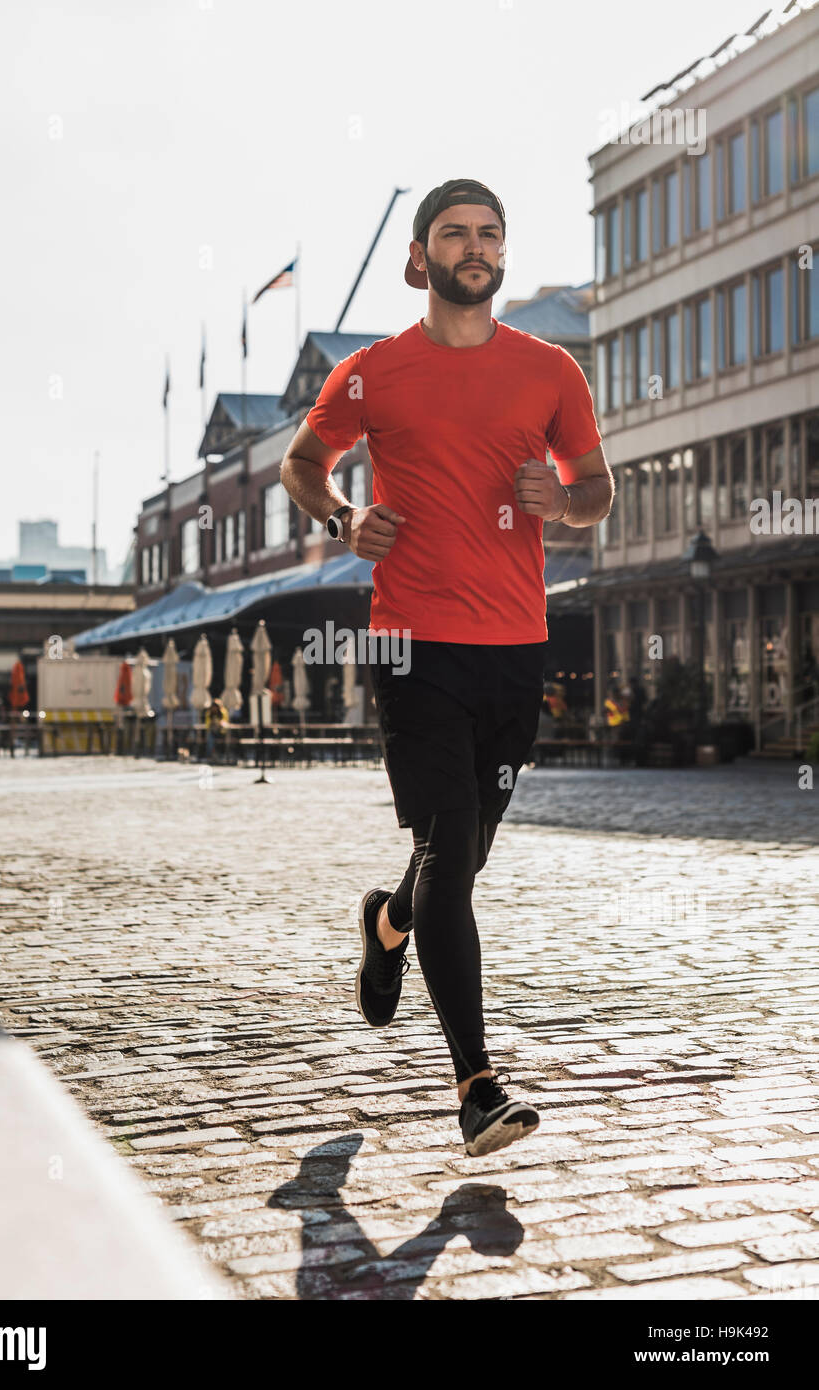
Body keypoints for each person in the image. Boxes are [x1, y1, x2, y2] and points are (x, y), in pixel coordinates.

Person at [280, 179, 612, 1158]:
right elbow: (303, 463)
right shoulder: (374, 374)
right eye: (456, 235)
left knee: (454, 862)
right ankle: (476, 1085)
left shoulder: (551, 371)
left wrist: (560, 500)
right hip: (413, 649)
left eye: (491, 234)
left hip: (517, 651)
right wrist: (342, 517)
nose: (476, 247)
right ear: (419, 258)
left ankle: (386, 923)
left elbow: (597, 490)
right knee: (451, 838)